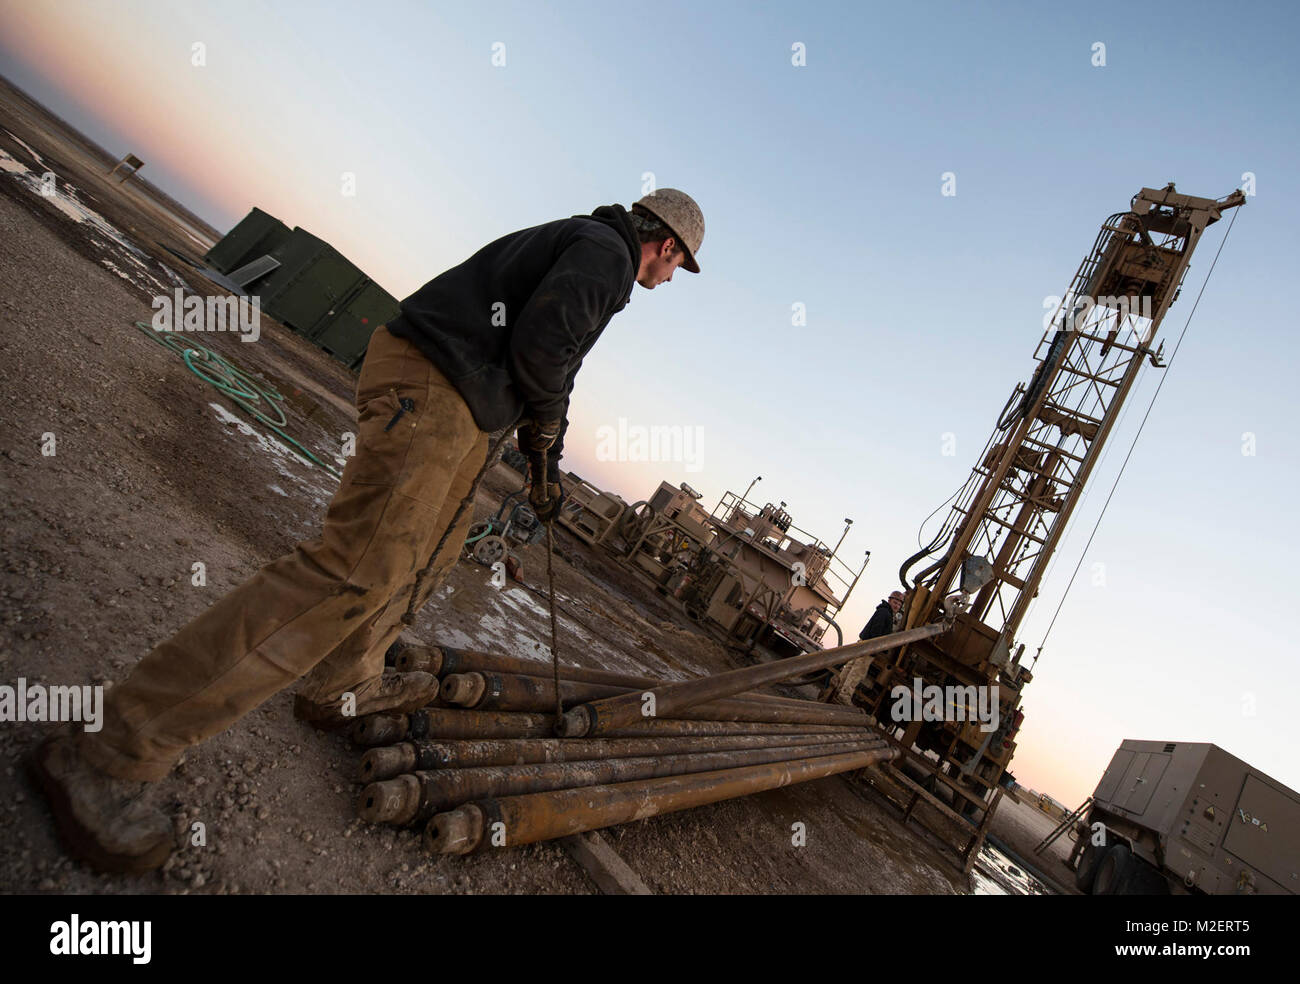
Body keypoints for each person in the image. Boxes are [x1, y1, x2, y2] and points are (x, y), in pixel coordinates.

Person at [31, 188, 705, 873]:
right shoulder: (606, 255)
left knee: (430, 557)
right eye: (679, 266)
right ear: (668, 245)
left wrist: (542, 458)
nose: (671, 278)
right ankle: (110, 750)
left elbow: (541, 348)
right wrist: (547, 441)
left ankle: (341, 681)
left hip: (470, 407)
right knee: (353, 574)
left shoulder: (593, 250)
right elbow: (546, 345)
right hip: (437, 386)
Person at [830, 591, 904, 706]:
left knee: (851, 666)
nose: (896, 606)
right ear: (889, 601)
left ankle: (838, 688)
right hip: (869, 647)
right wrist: (876, 647)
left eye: (899, 605)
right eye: (895, 602)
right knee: (858, 671)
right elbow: (876, 631)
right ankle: (845, 695)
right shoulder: (885, 613)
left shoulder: (883, 611)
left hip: (864, 644)